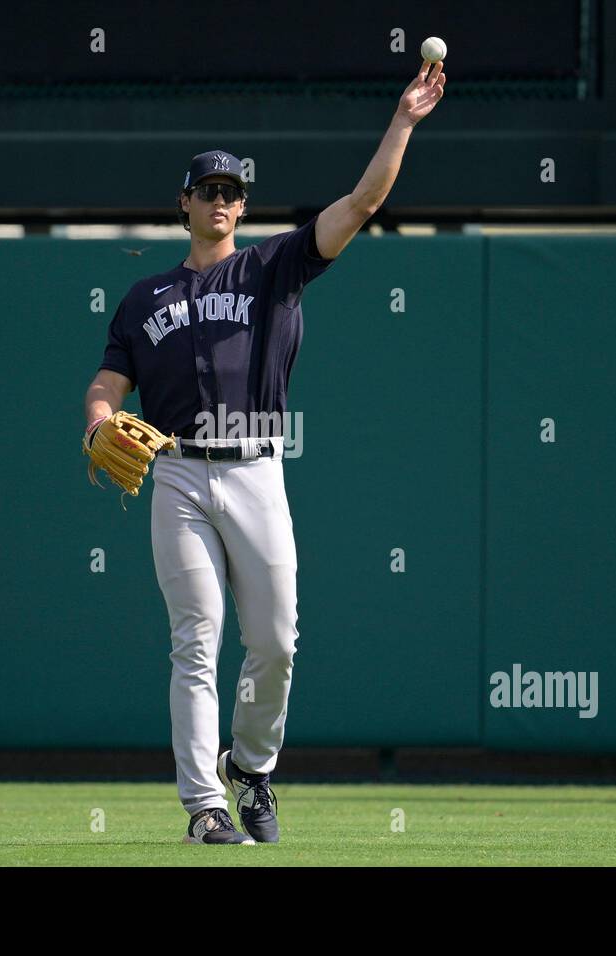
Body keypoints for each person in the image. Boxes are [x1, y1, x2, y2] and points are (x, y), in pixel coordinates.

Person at [82, 60, 446, 844]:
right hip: (178, 472)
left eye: (231, 190)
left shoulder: (273, 267)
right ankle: (204, 807)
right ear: (183, 202)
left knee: (275, 641)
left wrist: (404, 122)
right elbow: (106, 387)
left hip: (254, 468)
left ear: (243, 205)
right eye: (206, 189)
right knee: (197, 636)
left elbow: (364, 202)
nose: (220, 199)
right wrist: (99, 423)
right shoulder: (146, 298)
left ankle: (250, 769)